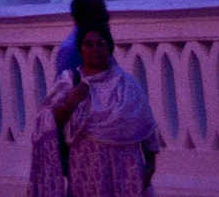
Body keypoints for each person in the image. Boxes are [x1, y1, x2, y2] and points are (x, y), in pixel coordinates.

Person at [28, 25, 160, 197]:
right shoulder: (69, 82)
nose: (95, 49)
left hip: (127, 173)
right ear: (80, 50)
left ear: (110, 48)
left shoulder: (127, 84)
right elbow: (47, 123)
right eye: (88, 44)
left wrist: (150, 164)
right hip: (87, 174)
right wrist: (71, 103)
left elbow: (146, 125)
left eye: (100, 43)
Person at [56, 0, 111, 76]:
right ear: (82, 17)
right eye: (98, 11)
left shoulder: (103, 42)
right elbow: (65, 87)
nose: (106, 16)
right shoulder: (70, 50)